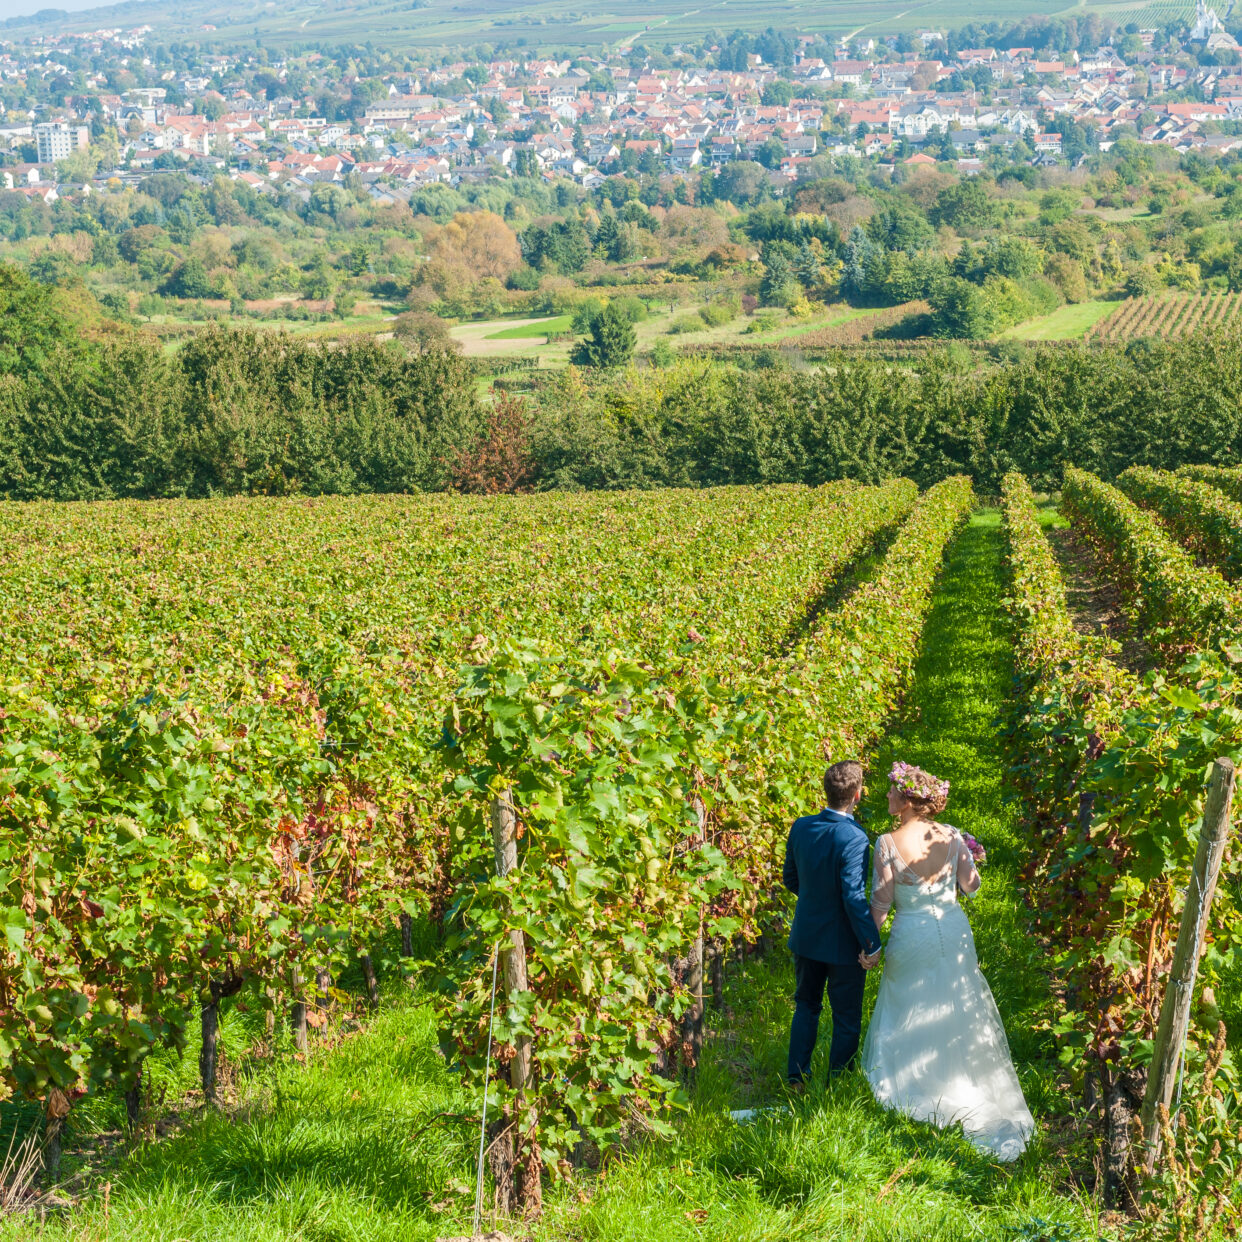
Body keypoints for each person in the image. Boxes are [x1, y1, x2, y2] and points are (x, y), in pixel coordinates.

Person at [862, 761, 1034, 1161]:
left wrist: (869, 944)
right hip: (953, 930)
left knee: (910, 1000)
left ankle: (916, 1081)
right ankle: (962, 1075)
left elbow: (882, 904)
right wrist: (969, 855)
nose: (886, 796)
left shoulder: (887, 843)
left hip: (912, 934)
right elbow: (971, 888)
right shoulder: (952, 835)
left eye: (890, 792)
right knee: (958, 999)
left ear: (906, 800)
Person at [782, 760, 883, 1085]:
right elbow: (853, 897)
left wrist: (815, 900)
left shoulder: (801, 826)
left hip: (807, 936)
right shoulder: (854, 838)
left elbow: (790, 879)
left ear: (826, 791)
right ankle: (837, 1082)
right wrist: (872, 942)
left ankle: (796, 1077)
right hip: (843, 943)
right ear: (857, 795)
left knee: (806, 1006)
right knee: (846, 1017)